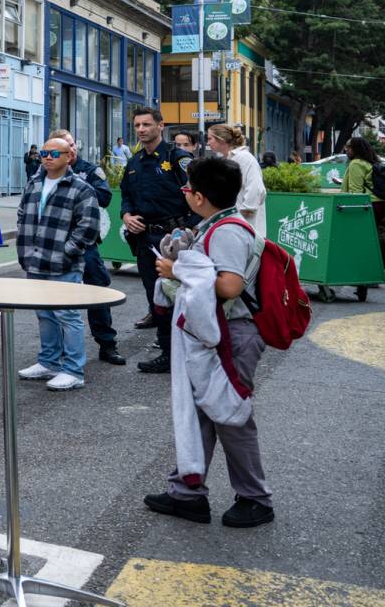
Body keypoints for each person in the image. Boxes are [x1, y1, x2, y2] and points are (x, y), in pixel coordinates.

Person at [144, 156, 275, 529]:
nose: (185, 193)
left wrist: (175, 269)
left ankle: (255, 498)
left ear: (199, 197)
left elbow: (230, 285)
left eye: (187, 188)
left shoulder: (229, 230)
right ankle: (187, 492)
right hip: (217, 332)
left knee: (231, 416)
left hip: (231, 334)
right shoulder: (216, 224)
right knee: (203, 413)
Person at [15, 137, 99, 391]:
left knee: (67, 315)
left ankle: (74, 370)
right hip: (35, 260)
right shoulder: (34, 183)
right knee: (44, 314)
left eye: (54, 153)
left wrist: (68, 251)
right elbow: (22, 214)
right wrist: (26, 248)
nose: (48, 157)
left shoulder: (81, 188)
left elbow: (88, 227)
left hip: (63, 263)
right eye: (44, 152)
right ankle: (49, 361)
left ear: (68, 157)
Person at [120, 106, 197, 374]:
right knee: (157, 299)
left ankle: (186, 350)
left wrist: (189, 231)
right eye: (137, 125)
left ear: (160, 126)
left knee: (180, 297)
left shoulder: (179, 159)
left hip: (175, 239)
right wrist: (126, 215)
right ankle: (168, 351)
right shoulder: (134, 163)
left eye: (146, 125)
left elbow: (197, 195)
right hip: (144, 239)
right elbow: (126, 195)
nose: (141, 130)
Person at [53, 129, 125, 366]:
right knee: (58, 297)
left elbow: (104, 197)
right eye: (66, 145)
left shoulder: (90, 171)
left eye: (73, 144)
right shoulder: (48, 172)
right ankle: (61, 349)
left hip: (87, 243)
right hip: (58, 243)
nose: (71, 149)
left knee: (98, 292)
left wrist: (75, 186)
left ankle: (107, 345)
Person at [207, 124, 267, 237]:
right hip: (234, 227)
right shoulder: (226, 160)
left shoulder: (244, 157)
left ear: (221, 139)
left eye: (210, 138)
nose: (208, 142)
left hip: (247, 228)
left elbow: (255, 189)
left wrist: (239, 215)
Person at [341, 136, 385, 230]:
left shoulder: (356, 163)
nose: (347, 150)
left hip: (369, 204)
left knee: (361, 232)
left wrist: (355, 212)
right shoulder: (370, 162)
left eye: (349, 147)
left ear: (356, 148)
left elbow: (356, 191)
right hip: (380, 202)